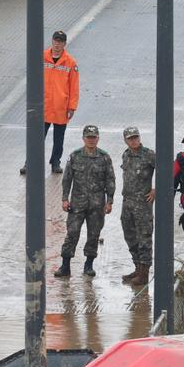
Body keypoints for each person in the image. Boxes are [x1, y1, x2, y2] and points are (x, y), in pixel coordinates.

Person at [56, 125, 116, 279]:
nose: (91, 140)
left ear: (98, 138)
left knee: (94, 235)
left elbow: (110, 180)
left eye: (94, 137)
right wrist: (64, 199)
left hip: (97, 205)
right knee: (72, 233)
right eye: (88, 137)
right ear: (83, 138)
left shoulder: (104, 157)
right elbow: (67, 179)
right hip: (77, 204)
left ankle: (88, 265)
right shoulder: (75, 156)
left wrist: (109, 201)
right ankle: (65, 266)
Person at [23, 32, 79, 177]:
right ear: (52, 41)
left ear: (64, 44)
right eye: (56, 41)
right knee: (37, 138)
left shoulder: (70, 63)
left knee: (58, 139)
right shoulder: (41, 57)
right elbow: (33, 79)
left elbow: (74, 87)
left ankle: (55, 162)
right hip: (44, 106)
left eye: (60, 42)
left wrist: (72, 107)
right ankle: (29, 162)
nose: (57, 44)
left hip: (61, 107)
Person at [119, 127, 157, 287]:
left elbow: (165, 170)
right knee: (130, 236)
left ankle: (144, 273)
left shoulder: (149, 154)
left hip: (143, 204)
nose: (134, 140)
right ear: (125, 140)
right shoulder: (126, 154)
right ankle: (137, 267)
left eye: (136, 137)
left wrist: (156, 189)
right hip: (127, 203)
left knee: (144, 238)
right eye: (130, 138)